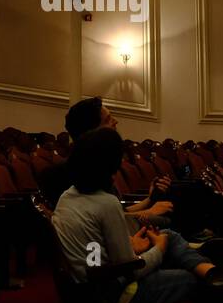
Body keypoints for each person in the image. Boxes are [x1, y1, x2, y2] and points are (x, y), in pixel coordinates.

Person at [52, 127, 223, 303]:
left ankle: (210, 272)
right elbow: (131, 270)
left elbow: (98, 247)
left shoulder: (66, 196)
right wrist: (158, 250)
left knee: (167, 236)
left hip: (95, 283)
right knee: (191, 277)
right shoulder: (106, 203)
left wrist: (135, 245)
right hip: (113, 293)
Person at [37, 97, 173, 229]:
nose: (116, 122)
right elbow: (98, 221)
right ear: (92, 132)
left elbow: (116, 209)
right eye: (108, 119)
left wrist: (150, 199)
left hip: (116, 233)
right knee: (167, 224)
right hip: (97, 247)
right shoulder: (66, 175)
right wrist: (150, 212)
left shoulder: (98, 167)